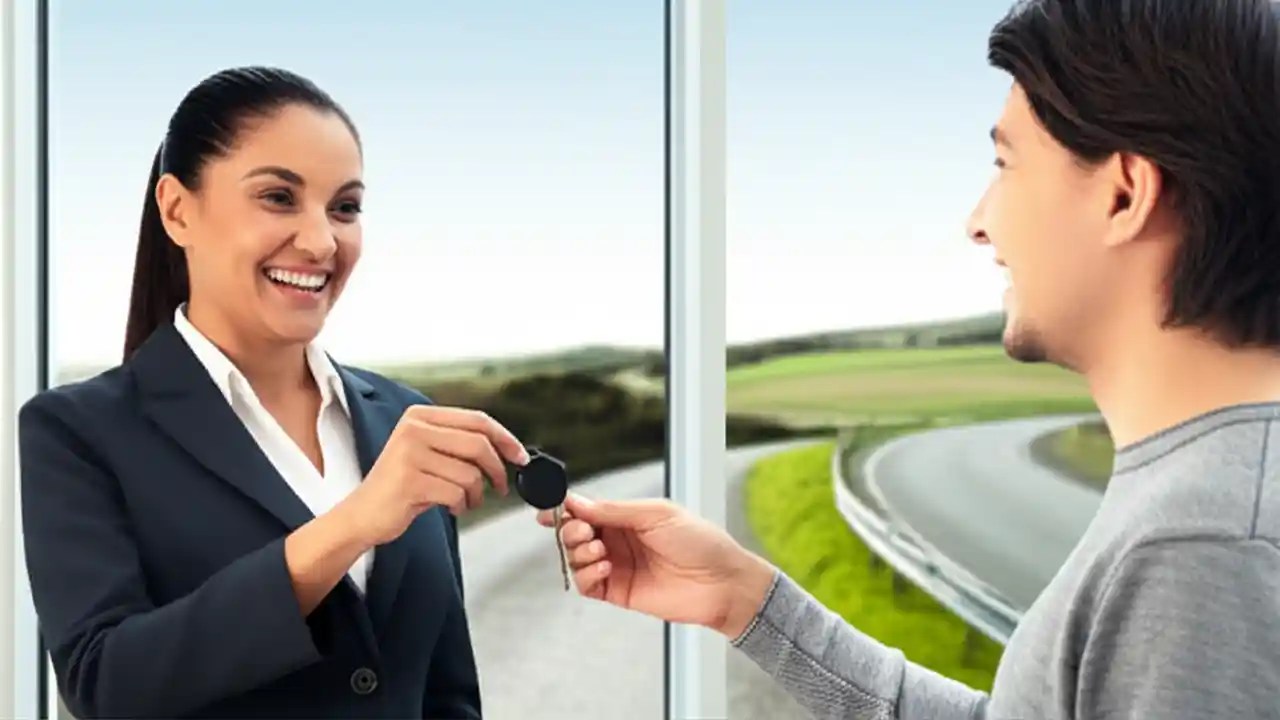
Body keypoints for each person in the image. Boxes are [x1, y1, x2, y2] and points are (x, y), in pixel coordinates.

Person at [541, 1, 1280, 718]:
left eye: (1007, 163)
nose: (979, 220)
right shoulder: (1202, 500)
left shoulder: (1200, 550)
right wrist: (744, 600)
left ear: (1124, 194)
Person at [18, 66, 529, 719]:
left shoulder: (408, 419)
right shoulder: (79, 432)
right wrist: (351, 525)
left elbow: (448, 696)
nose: (321, 241)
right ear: (177, 210)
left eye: (344, 207)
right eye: (279, 198)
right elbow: (106, 686)